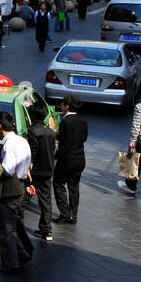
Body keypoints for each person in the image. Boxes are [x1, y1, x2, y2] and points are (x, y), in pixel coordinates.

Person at [0, 111, 34, 274]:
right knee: (11, 222)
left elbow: (7, 169)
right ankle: (21, 252)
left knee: (7, 227)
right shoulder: (22, 141)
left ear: (0, 126)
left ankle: (10, 263)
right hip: (20, 185)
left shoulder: (8, 144)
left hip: (9, 188)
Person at [52, 94, 88, 224]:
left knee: (58, 183)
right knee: (74, 187)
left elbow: (64, 144)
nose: (61, 107)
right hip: (79, 159)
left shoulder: (65, 122)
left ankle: (65, 213)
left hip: (67, 159)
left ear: (67, 107)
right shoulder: (83, 122)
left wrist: (58, 160)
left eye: (62, 105)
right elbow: (84, 138)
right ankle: (73, 215)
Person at [25, 101, 57, 240]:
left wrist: (27, 169)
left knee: (24, 198)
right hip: (48, 169)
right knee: (46, 201)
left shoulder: (33, 131)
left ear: (32, 116)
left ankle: (14, 222)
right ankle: (46, 230)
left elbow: (33, 152)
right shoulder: (50, 132)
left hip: (35, 170)